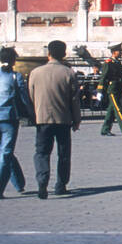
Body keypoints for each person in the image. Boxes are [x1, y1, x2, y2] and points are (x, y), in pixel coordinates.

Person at [28, 39, 81, 198]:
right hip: (63, 119)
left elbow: (31, 96)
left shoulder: (35, 73)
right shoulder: (68, 73)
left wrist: (37, 112)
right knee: (63, 154)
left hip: (42, 119)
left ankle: (42, 182)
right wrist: (76, 119)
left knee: (42, 152)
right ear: (64, 54)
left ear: (48, 53)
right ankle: (60, 184)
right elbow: (74, 100)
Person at [0, 46, 33, 198]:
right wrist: (32, 114)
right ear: (13, 60)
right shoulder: (16, 76)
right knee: (5, 154)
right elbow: (24, 98)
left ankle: (18, 182)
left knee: (4, 153)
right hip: (9, 119)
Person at [98, 42, 122, 136]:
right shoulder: (108, 63)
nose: (121, 53)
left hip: (118, 87)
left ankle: (105, 129)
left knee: (111, 110)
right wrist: (99, 91)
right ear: (114, 52)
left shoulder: (118, 62)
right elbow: (103, 77)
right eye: (119, 51)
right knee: (118, 109)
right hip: (112, 89)